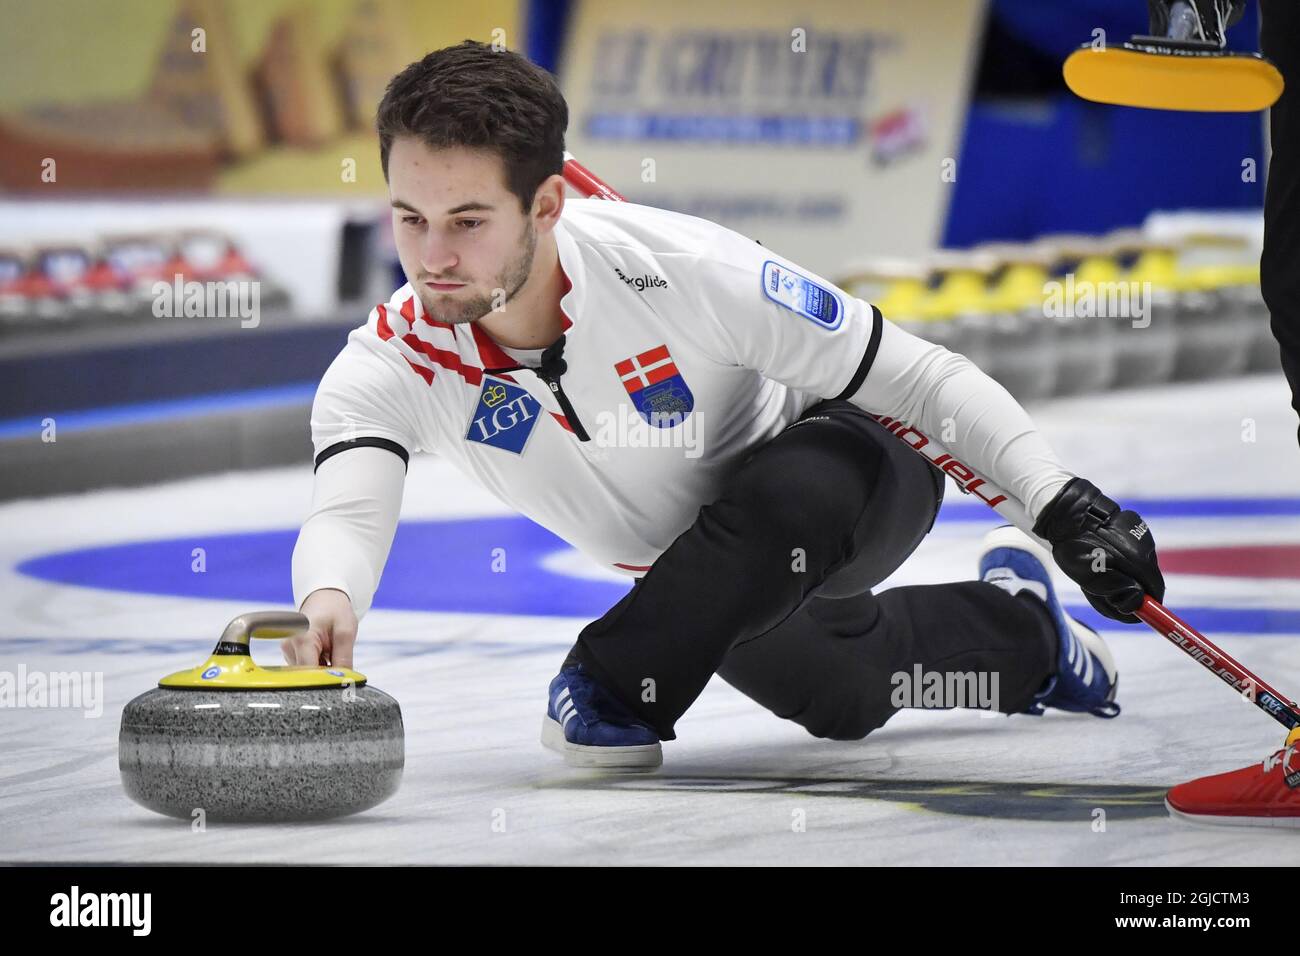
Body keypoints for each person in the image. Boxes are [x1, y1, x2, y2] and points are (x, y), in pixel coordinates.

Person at [284, 41, 1165, 770]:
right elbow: (350, 508)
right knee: (846, 694)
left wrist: (1061, 502)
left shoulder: (678, 267)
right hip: (695, 580)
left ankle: (609, 683)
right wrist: (329, 596)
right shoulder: (391, 362)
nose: (431, 257)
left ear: (546, 204)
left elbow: (922, 379)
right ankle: (1030, 640)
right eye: (409, 219)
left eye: (467, 221)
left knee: (788, 496)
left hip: (852, 472)